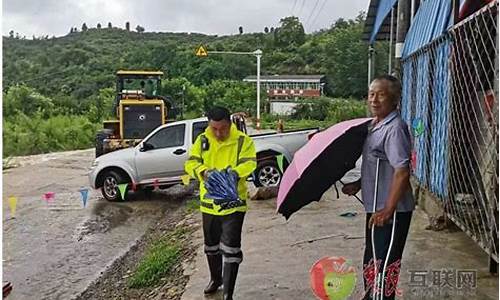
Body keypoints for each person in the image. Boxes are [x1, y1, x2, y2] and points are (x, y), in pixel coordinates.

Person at [342, 75, 415, 300]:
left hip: (390, 212)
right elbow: (378, 166)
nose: (374, 100)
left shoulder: (394, 129)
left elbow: (402, 172)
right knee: (372, 261)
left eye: (380, 94)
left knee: (384, 267)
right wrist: (358, 184)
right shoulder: (375, 126)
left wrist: (388, 210)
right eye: (371, 94)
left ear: (394, 99)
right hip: (374, 208)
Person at [185, 106, 256, 300]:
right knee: (211, 246)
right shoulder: (203, 140)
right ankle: (216, 279)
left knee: (231, 248)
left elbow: (250, 163)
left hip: (234, 204)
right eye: (214, 129)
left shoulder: (243, 142)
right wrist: (203, 172)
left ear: (229, 124)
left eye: (222, 129)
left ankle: (228, 293)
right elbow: (190, 163)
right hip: (209, 205)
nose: (218, 133)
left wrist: (234, 173)